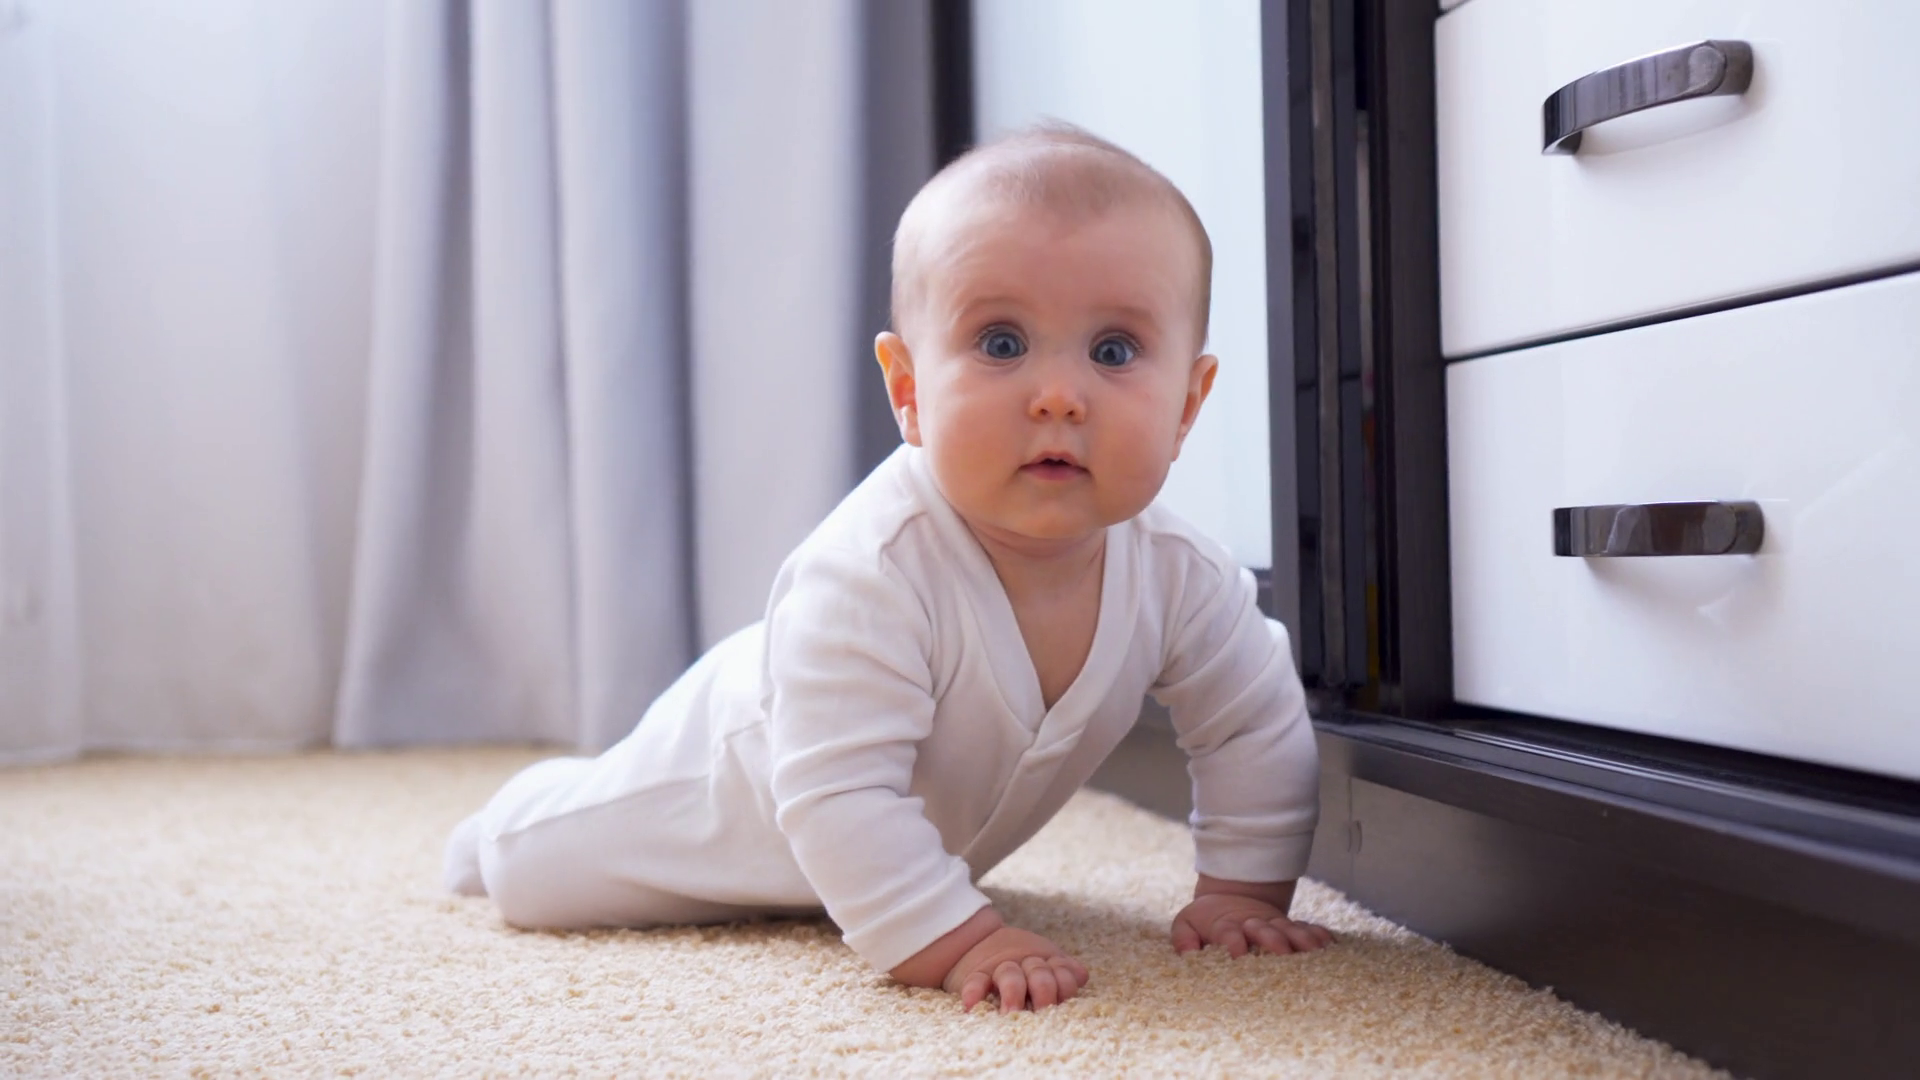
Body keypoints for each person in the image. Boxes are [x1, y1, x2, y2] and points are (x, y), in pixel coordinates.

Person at [443, 122, 1332, 1014]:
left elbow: (1253, 723)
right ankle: (506, 823)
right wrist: (958, 939)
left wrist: (1241, 893)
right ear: (908, 390)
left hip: (873, 830)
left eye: (1113, 352)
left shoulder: (1181, 575)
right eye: (1001, 343)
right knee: (539, 870)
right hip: (730, 787)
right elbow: (837, 791)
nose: (1059, 397)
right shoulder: (869, 571)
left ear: (1187, 406)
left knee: (861, 859)